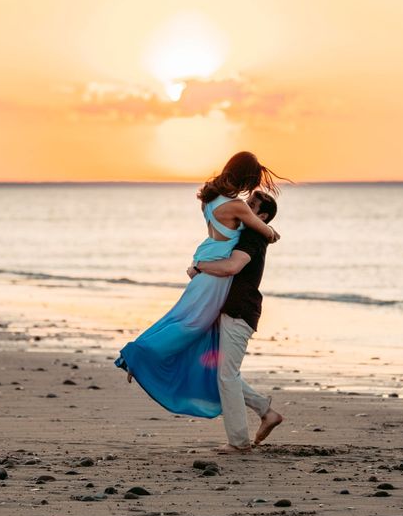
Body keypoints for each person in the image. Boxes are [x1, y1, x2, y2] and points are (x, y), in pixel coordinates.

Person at [115, 152, 284, 417]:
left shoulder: (210, 199)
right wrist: (272, 232)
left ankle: (139, 356)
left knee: (182, 320)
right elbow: (266, 232)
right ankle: (138, 357)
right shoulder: (238, 206)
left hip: (206, 267)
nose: (250, 191)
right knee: (189, 325)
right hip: (214, 277)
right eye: (251, 183)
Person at [188, 190, 284, 454]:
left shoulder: (253, 236)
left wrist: (200, 267)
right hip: (229, 311)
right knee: (223, 373)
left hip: (240, 312)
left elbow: (232, 267)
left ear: (261, 216)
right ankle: (267, 412)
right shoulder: (245, 232)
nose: (243, 205)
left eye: (251, 205)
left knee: (226, 375)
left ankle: (239, 442)